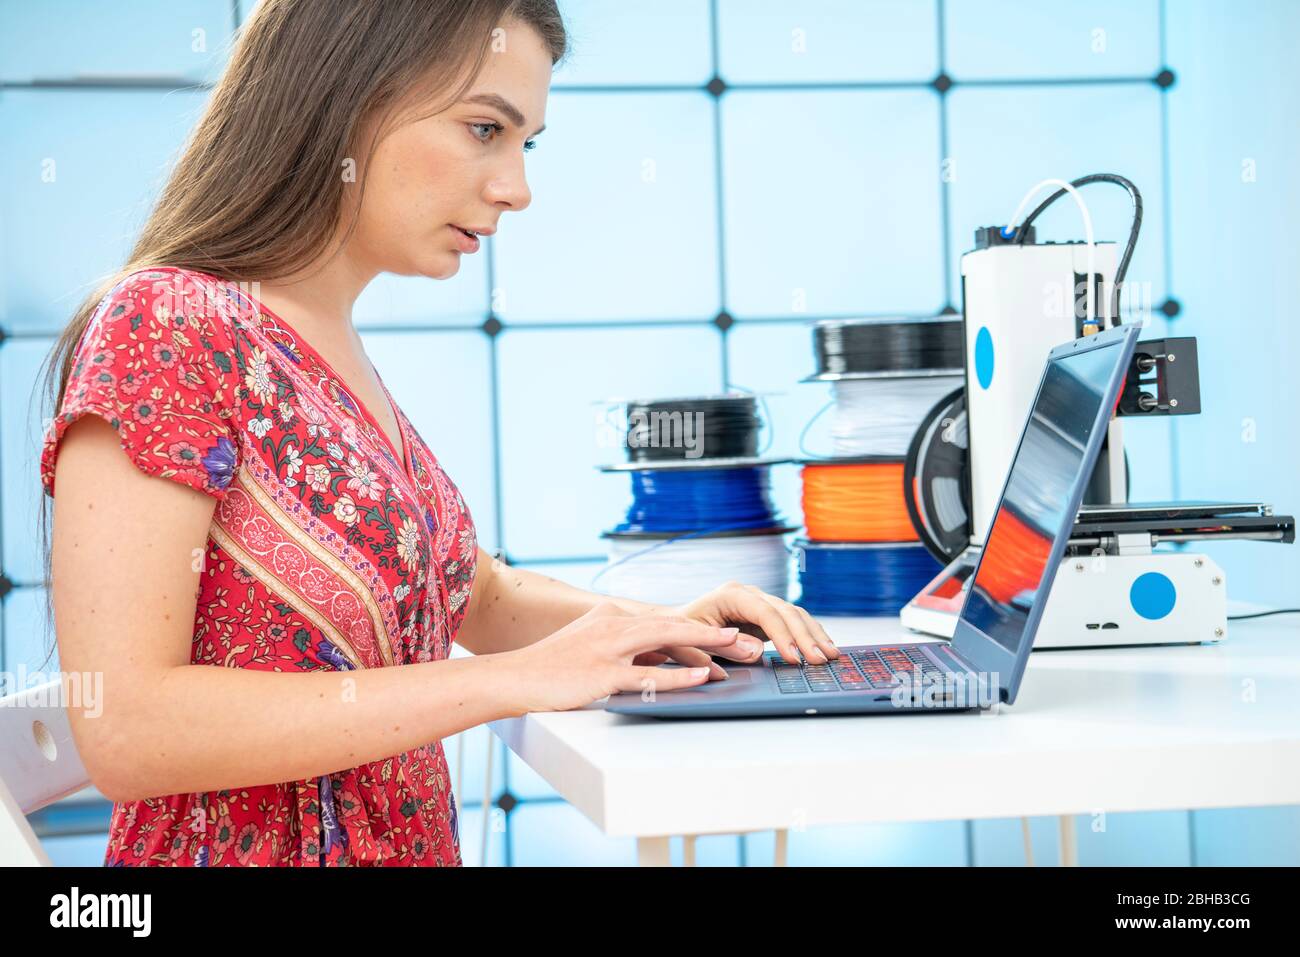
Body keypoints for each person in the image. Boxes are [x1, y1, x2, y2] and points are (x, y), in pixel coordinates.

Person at [37, 0, 838, 867]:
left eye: (524, 143)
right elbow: (125, 728)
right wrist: (510, 681)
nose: (516, 188)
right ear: (344, 95)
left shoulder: (324, 341)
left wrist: (653, 625)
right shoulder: (167, 324)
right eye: (484, 128)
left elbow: (468, 597)